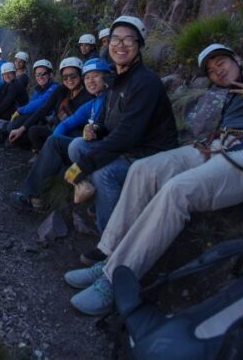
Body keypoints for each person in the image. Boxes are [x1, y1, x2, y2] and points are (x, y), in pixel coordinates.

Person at [64, 43, 243, 316]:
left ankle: (116, 280)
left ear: (237, 59)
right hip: (216, 147)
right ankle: (109, 255)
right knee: (143, 170)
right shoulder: (231, 97)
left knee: (177, 190)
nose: (217, 70)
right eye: (210, 70)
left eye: (220, 62)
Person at [64, 16, 179, 237]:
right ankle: (102, 206)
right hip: (128, 149)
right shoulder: (116, 82)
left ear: (139, 45)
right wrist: (96, 129)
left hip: (149, 154)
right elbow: (109, 123)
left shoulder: (144, 82)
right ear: (108, 44)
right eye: (115, 39)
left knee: (103, 173)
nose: (120, 45)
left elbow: (128, 134)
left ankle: (111, 243)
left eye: (128, 40)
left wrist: (84, 166)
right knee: (77, 145)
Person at [9, 57, 111, 212]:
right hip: (80, 140)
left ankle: (33, 196)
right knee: (44, 136)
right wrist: (50, 139)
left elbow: (109, 128)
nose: (69, 80)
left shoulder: (103, 99)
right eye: (88, 77)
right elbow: (64, 120)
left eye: (74, 76)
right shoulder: (92, 101)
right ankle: (45, 179)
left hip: (92, 144)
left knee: (59, 142)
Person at [7, 57, 92, 152]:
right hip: (56, 128)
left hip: (73, 134)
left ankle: (50, 154)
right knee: (29, 133)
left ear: (81, 76)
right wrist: (21, 129)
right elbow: (43, 109)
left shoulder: (87, 96)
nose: (69, 80)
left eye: (73, 76)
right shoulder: (61, 90)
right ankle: (43, 151)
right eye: (65, 77)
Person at [0, 60, 58, 145]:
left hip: (45, 119)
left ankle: (1, 131)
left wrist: (20, 111)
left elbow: (40, 103)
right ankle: (0, 134)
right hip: (33, 115)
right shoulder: (39, 89)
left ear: (50, 74)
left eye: (43, 74)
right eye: (37, 74)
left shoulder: (54, 88)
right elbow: (31, 103)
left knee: (13, 126)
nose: (40, 77)